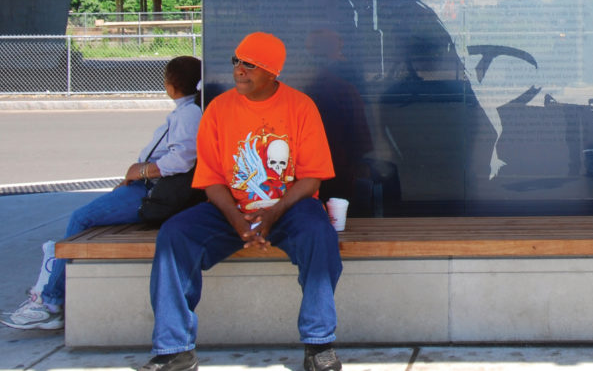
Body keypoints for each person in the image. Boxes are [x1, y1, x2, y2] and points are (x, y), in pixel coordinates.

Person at [139, 32, 342, 371]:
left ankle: (319, 344)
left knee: (319, 235)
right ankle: (175, 350)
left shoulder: (300, 106)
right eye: (237, 61)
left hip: (289, 207)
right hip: (230, 208)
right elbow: (211, 180)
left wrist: (273, 213)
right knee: (174, 235)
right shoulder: (218, 110)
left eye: (251, 64)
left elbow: (312, 178)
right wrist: (238, 221)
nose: (239, 70)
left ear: (273, 72)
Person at [2, 55, 203, 331]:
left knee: (80, 220)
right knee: (78, 223)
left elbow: (182, 160)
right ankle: (49, 282)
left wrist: (141, 171)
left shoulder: (190, 114)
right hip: (146, 188)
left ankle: (50, 303)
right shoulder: (185, 110)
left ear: (170, 84)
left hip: (152, 193)